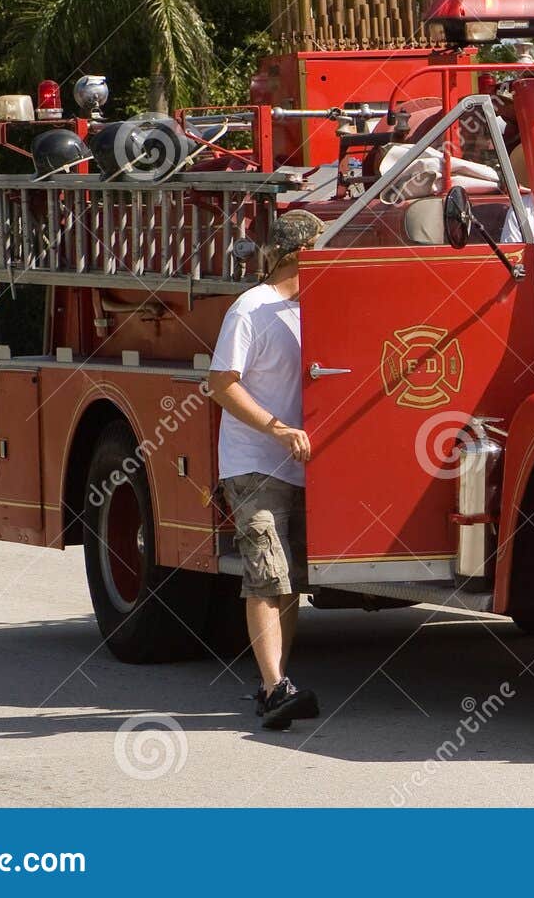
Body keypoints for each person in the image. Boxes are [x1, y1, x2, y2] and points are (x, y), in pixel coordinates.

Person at [208, 209, 322, 731]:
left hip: (299, 466)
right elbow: (221, 383)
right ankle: (276, 687)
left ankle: (273, 683)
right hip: (253, 465)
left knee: (288, 583)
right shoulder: (250, 309)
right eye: (321, 247)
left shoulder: (313, 309)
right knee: (266, 577)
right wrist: (277, 429)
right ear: (301, 253)